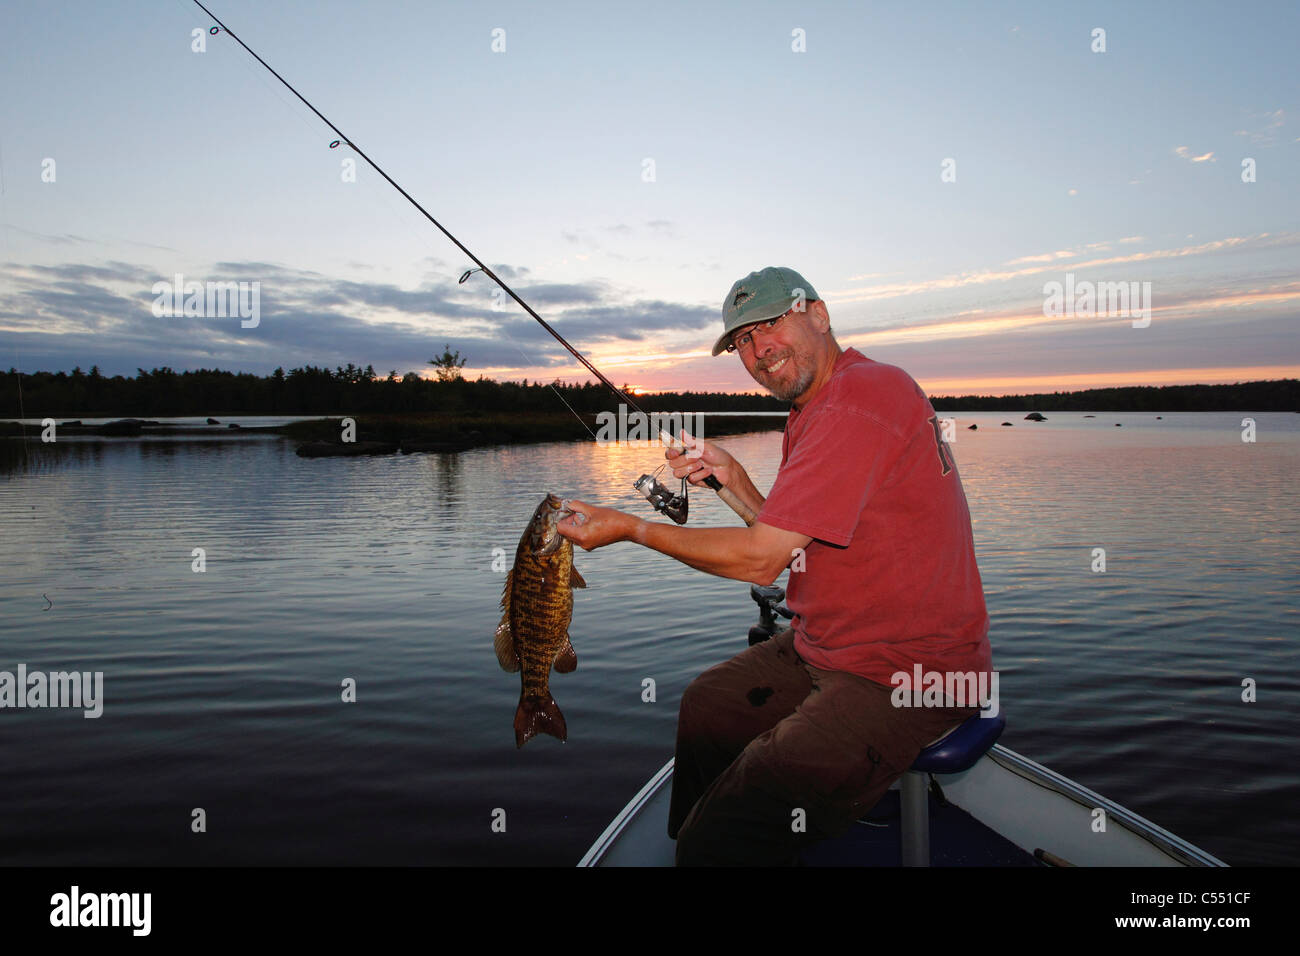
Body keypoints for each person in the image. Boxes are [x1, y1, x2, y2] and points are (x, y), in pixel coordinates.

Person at [557, 266, 993, 865]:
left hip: (905, 673)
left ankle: (715, 845)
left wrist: (632, 527)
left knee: (729, 832)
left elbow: (763, 562)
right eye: (741, 341)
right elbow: (792, 543)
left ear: (818, 313)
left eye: (769, 325)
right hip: (833, 645)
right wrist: (732, 480)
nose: (759, 351)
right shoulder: (816, 409)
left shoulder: (861, 397)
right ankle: (695, 846)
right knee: (708, 704)